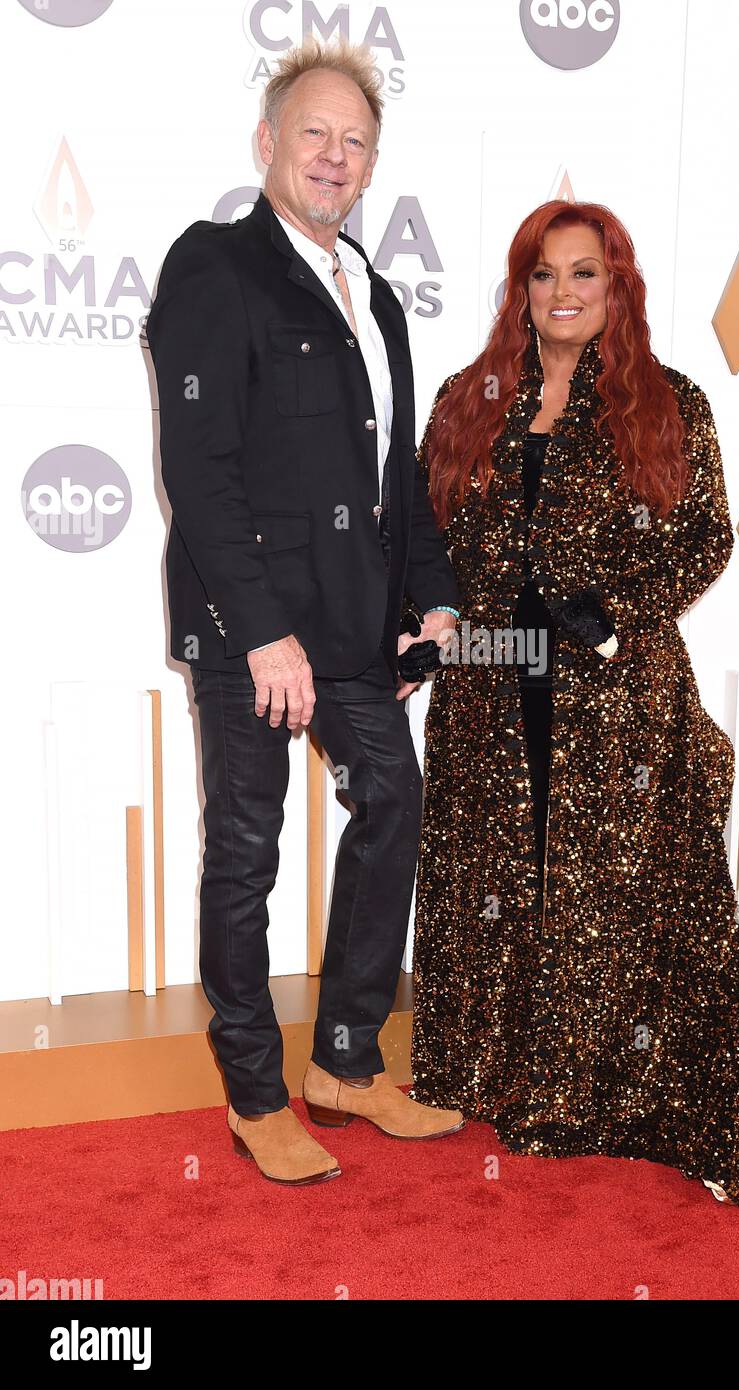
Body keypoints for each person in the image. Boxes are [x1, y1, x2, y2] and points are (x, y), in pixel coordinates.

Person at [408, 200, 739, 1207]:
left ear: (616, 285)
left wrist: (616, 610)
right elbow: (421, 532)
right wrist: (426, 621)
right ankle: (491, 1071)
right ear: (519, 287)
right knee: (498, 875)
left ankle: (589, 1085)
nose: (560, 294)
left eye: (582, 274)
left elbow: (705, 535)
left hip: (616, 700)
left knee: (605, 898)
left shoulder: (665, 400)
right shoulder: (469, 397)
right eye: (542, 275)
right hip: (489, 694)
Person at [145, 37, 464, 1187]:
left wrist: (429, 595)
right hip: (251, 631)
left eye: (356, 143)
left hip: (349, 627)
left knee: (395, 802)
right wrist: (261, 628)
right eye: (314, 134)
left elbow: (398, 478)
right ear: (268, 143)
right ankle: (253, 1093)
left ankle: (343, 1057)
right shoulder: (216, 266)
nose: (334, 157)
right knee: (246, 853)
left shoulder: (372, 292)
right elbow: (201, 461)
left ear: (371, 164)